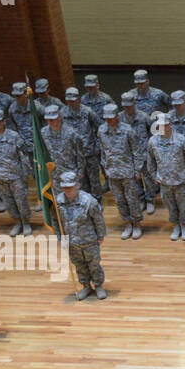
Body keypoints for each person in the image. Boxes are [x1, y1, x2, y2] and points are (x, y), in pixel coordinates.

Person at [55, 170, 108, 301]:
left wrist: (100, 236)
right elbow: (56, 221)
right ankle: (86, 286)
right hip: (71, 242)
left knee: (94, 264)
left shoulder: (89, 201)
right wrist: (60, 238)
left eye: (70, 187)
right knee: (79, 265)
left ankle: (98, 285)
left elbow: (98, 220)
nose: (67, 190)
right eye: (64, 187)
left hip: (88, 239)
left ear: (77, 185)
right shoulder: (58, 202)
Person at [0, 108, 33, 237]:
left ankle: (26, 223)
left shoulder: (14, 136)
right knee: (9, 202)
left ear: (4, 121)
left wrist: (26, 174)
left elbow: (23, 157)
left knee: (21, 201)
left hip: (15, 176)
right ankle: (17, 222)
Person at [145, 114, 185, 240]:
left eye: (165, 125)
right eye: (160, 125)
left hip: (180, 180)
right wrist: (154, 175)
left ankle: (184, 226)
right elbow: (150, 160)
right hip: (164, 181)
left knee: (183, 205)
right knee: (170, 205)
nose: (163, 127)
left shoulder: (181, 140)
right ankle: (175, 226)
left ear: (170, 124)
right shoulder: (153, 141)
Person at [97, 104, 143, 240]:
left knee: (132, 199)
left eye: (111, 117)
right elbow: (102, 151)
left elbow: (137, 151)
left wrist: (137, 170)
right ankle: (127, 223)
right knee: (120, 200)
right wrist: (105, 168)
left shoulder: (127, 130)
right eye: (106, 118)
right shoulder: (101, 130)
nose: (109, 120)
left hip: (127, 171)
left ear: (117, 115)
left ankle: (137, 224)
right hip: (112, 172)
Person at [62, 86, 104, 196]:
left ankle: (97, 201)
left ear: (79, 99)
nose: (71, 103)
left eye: (73, 100)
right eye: (69, 101)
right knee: (81, 180)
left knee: (94, 180)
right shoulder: (62, 113)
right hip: (74, 154)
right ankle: (86, 201)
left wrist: (97, 146)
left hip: (89, 152)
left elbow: (101, 129)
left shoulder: (88, 112)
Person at [120, 92, 157, 215]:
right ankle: (141, 199)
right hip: (129, 156)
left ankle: (150, 200)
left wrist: (151, 149)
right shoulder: (119, 118)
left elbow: (153, 133)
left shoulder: (143, 116)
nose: (127, 108)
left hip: (144, 154)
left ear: (134, 103)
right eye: (125, 106)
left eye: (129, 105)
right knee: (135, 180)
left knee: (148, 178)